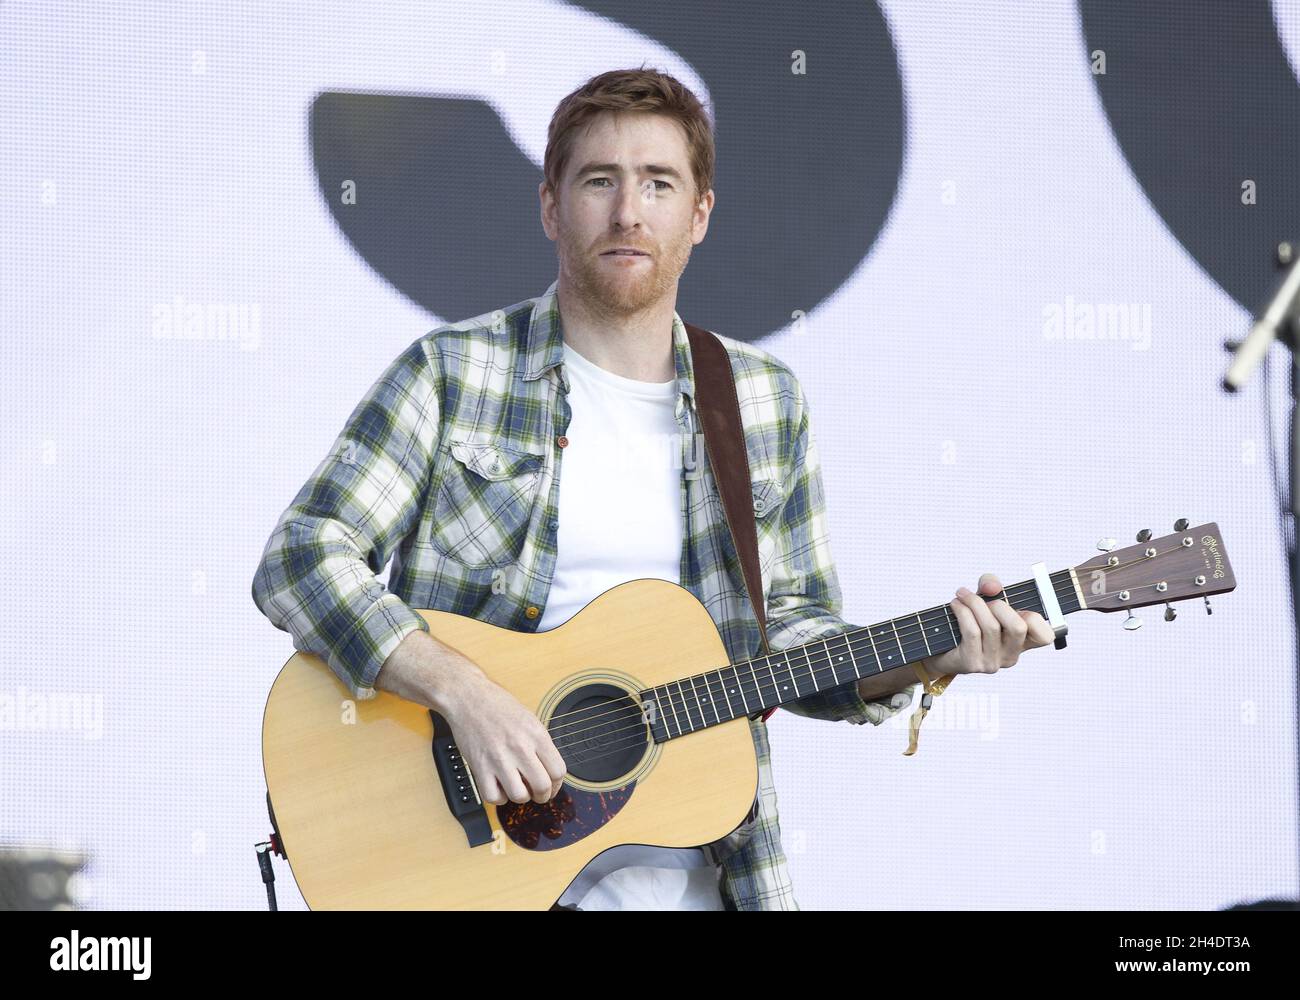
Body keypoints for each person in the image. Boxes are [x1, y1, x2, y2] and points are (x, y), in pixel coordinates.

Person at [251, 67, 1055, 911]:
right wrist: (463, 693)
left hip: (707, 883)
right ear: (552, 208)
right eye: (600, 181)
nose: (629, 211)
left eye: (659, 184)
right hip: (470, 875)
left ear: (699, 214)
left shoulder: (762, 402)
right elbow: (301, 555)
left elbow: (789, 638)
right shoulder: (453, 373)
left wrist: (926, 657)